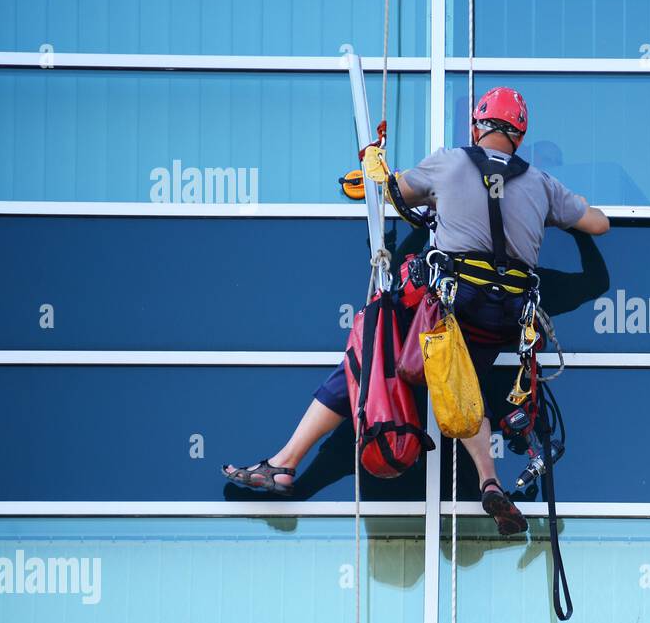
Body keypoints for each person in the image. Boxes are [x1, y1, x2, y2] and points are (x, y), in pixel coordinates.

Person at [223, 87, 610, 534]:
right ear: (520, 134)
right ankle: (489, 480)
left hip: (450, 307)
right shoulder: (542, 184)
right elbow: (598, 223)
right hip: (503, 318)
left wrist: (400, 181)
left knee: (369, 346)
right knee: (468, 386)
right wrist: (561, 215)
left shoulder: (450, 162)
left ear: (476, 126)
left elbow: (396, 192)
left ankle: (285, 462)